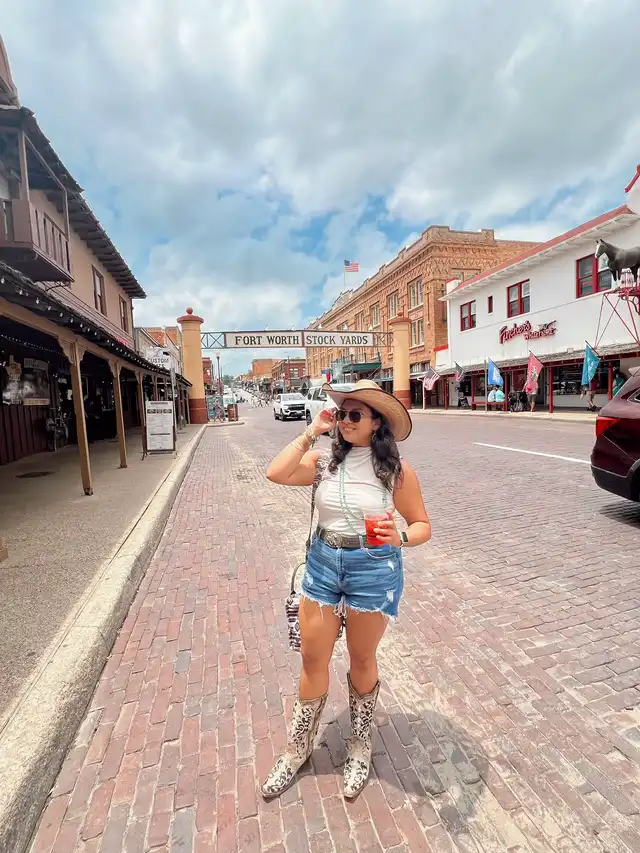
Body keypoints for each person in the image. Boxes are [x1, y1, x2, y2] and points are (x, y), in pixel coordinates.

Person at [261, 380, 431, 800]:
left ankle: (359, 744)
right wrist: (311, 431)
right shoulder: (323, 463)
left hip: (372, 569)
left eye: (355, 415)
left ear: (377, 423)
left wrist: (400, 538)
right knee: (312, 658)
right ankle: (297, 749)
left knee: (362, 658)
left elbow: (422, 525)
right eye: (341, 413)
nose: (344, 421)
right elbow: (276, 472)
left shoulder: (396, 472)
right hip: (323, 564)